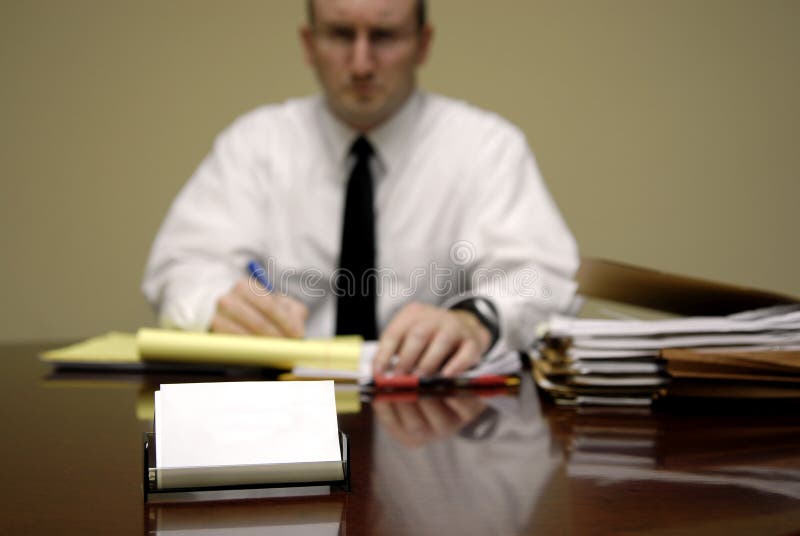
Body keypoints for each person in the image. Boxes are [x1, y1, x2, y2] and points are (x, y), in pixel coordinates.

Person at [142, 0, 578, 377]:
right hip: (280, 411)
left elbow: (542, 278)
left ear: (424, 43)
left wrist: (477, 319)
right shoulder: (255, 145)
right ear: (308, 43)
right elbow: (181, 267)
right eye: (339, 34)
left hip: (439, 417)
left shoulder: (487, 148)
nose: (362, 64)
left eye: (385, 36)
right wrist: (219, 305)